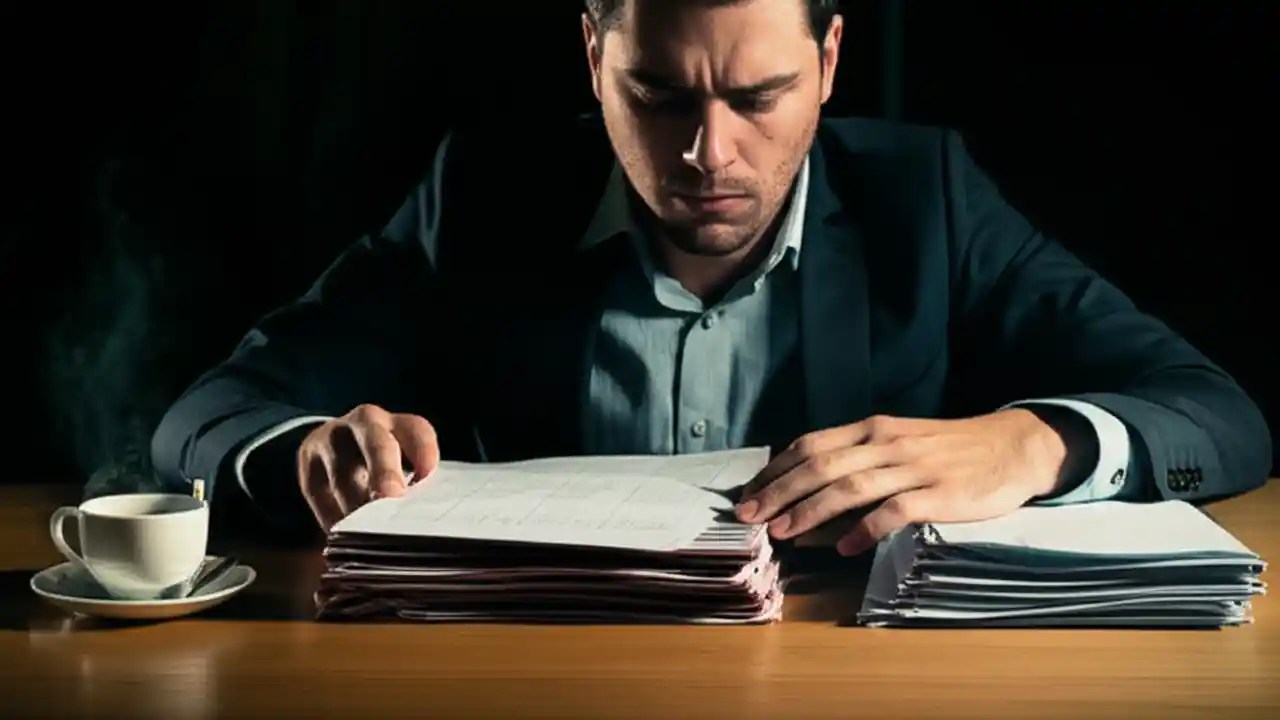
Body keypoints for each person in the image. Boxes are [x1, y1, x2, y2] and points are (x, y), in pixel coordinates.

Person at [151, 0, 1271, 554]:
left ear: (828, 62)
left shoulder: (922, 194)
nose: (707, 154)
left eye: (756, 98)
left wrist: (1032, 442)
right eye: (658, 98)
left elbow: (1216, 416)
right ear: (592, 57)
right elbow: (205, 420)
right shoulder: (482, 194)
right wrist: (305, 451)